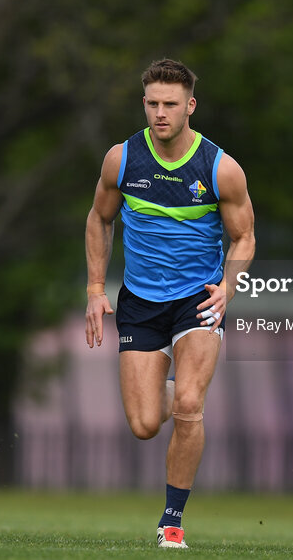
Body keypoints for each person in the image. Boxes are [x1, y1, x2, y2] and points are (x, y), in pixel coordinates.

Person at [84, 58, 255, 549]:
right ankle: (176, 393)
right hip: (139, 301)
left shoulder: (220, 168)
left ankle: (172, 519)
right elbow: (99, 219)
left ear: (190, 107)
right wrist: (96, 290)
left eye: (170, 105)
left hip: (198, 302)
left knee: (187, 403)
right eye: (153, 104)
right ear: (144, 104)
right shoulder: (122, 159)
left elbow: (244, 238)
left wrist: (230, 285)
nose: (161, 113)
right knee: (143, 425)